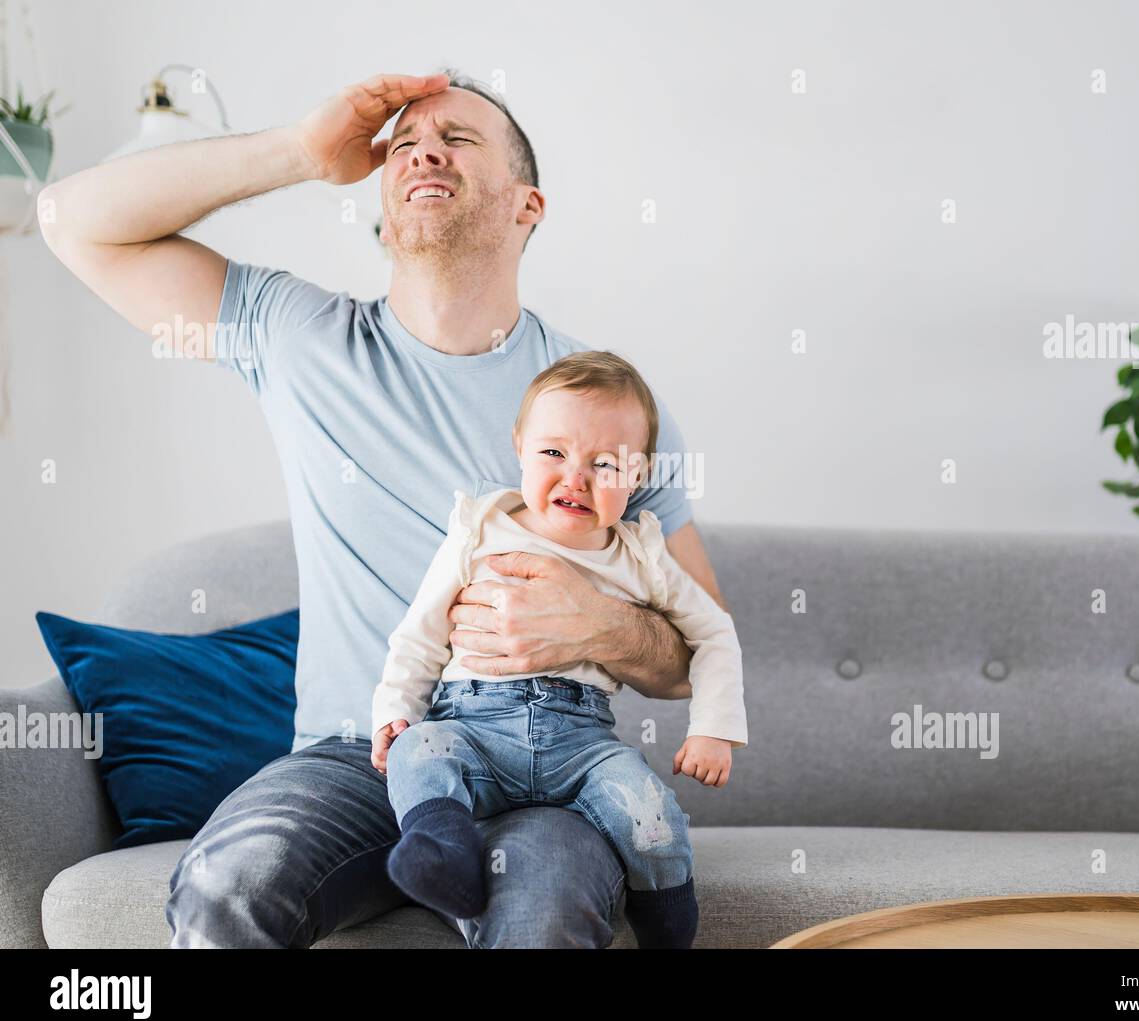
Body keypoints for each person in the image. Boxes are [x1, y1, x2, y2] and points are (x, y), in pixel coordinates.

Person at [37, 68, 731, 949]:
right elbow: (70, 222)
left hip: (548, 780)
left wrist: (601, 626)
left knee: (546, 913)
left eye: (459, 139)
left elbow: (686, 658)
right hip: (353, 759)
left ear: (528, 206)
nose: (423, 150)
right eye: (404, 143)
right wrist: (296, 151)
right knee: (228, 882)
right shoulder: (298, 337)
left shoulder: (606, 410)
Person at [371, 351, 748, 948]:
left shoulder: (640, 557)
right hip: (474, 729)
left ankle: (668, 922)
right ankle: (444, 855)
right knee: (421, 748)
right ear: (519, 445)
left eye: (605, 463)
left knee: (649, 810)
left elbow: (714, 632)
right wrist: (394, 711)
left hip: (583, 747)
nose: (576, 477)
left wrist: (713, 728)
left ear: (639, 475)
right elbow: (419, 634)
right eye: (554, 453)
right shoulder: (479, 530)